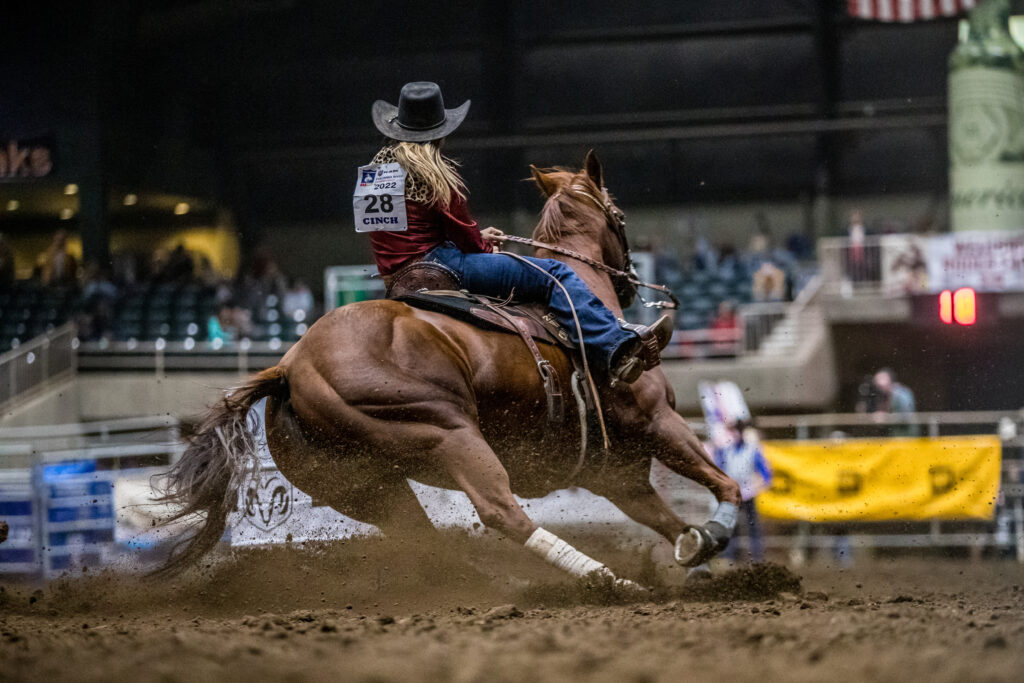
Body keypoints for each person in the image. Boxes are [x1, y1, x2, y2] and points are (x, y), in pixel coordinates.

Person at [361, 81, 672, 384]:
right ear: (439, 132)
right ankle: (614, 346)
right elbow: (467, 239)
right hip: (443, 267)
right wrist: (485, 247)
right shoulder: (434, 174)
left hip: (398, 278)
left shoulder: (372, 176)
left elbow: (405, 232)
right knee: (555, 275)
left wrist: (473, 239)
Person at [711, 420, 772, 563]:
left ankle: (757, 557)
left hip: (749, 492)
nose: (737, 433)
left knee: (752, 526)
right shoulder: (727, 451)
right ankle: (730, 556)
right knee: (731, 526)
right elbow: (720, 469)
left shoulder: (752, 450)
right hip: (733, 494)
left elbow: (765, 473)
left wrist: (760, 485)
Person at [856, 367, 918, 437]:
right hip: (895, 436)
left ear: (890, 380)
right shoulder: (886, 395)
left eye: (881, 380)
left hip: (907, 436)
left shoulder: (901, 394)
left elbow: (906, 415)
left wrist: (885, 417)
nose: (879, 386)